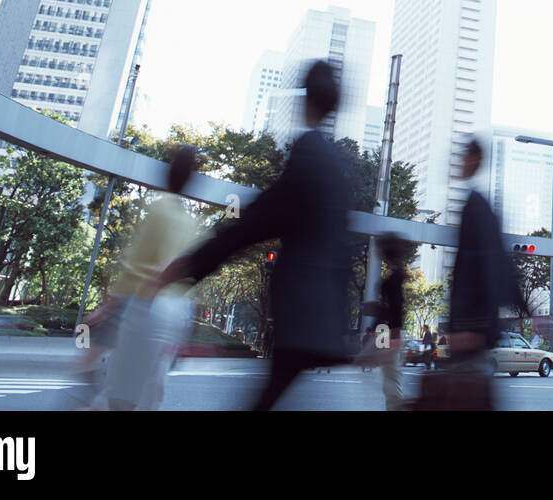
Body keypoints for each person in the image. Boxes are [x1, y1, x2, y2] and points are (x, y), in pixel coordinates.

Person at [153, 60, 354, 411]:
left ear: (304, 99)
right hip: (321, 315)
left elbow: (255, 223)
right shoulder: (337, 164)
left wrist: (192, 264)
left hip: (301, 313)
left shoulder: (307, 153)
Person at [86, 145, 203, 410]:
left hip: (148, 308)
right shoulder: (189, 221)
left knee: (119, 394)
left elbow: (135, 269)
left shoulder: (160, 210)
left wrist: (105, 308)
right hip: (176, 313)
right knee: (150, 393)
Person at [437, 138, 520, 409]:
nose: (457, 162)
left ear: (473, 159)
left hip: (471, 329)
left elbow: (479, 269)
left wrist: (467, 326)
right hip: (476, 328)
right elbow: (500, 264)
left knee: (467, 397)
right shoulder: (480, 205)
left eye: (461, 156)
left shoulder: (475, 205)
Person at [371, 234, 409, 411]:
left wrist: (394, 334)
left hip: (388, 331)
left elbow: (395, 307)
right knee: (390, 377)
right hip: (385, 331)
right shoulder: (396, 275)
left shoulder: (393, 279)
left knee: (391, 378)